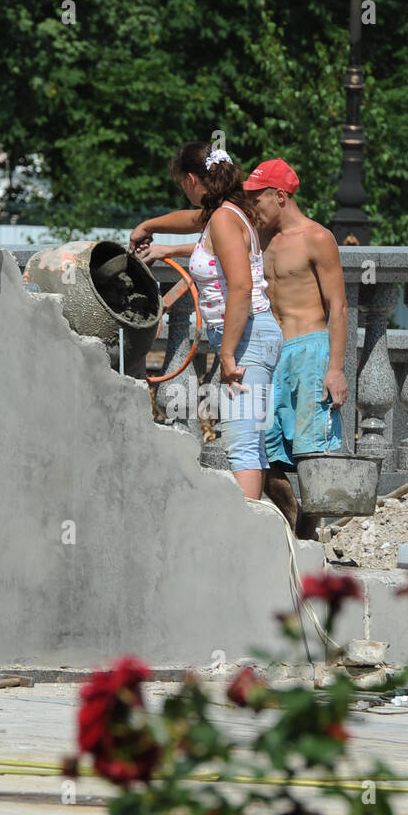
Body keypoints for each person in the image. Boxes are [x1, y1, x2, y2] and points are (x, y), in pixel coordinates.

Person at [129, 142, 282, 500]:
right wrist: (151, 229)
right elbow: (195, 227)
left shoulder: (224, 218)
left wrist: (227, 355)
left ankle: (247, 540)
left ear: (192, 179)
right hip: (253, 336)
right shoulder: (228, 211)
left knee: (242, 443)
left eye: (183, 183)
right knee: (250, 443)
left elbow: (241, 287)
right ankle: (256, 537)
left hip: (248, 339)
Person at [242, 160, 347, 539]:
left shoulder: (316, 238)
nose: (251, 207)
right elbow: (207, 234)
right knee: (261, 450)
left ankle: (308, 540)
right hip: (271, 353)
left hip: (311, 350)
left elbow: (338, 305)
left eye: (257, 199)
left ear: (281, 197)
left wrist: (335, 367)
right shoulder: (259, 237)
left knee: (311, 453)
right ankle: (295, 524)